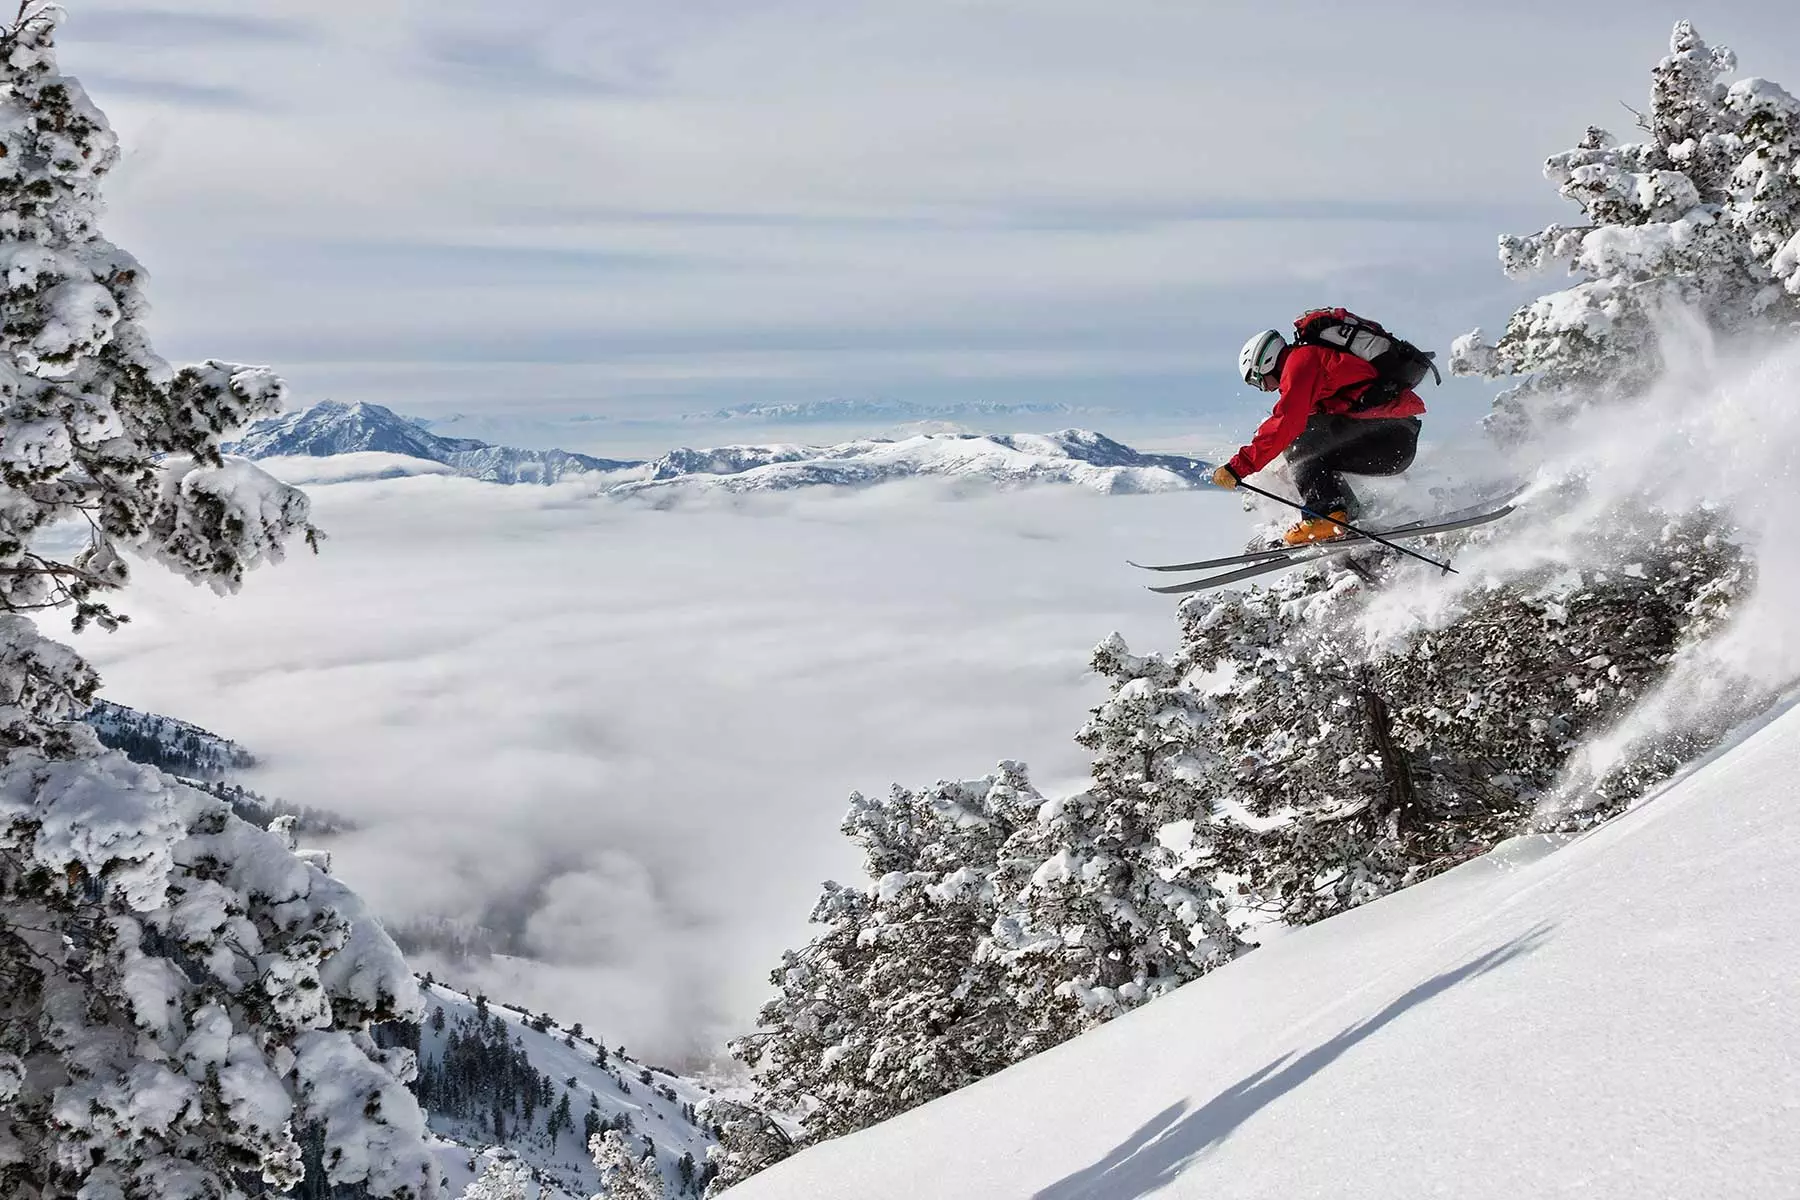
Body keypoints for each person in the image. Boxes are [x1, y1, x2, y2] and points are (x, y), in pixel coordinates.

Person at [1210, 326, 1427, 545]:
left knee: (1300, 440)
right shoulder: (1310, 366)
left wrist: (1238, 467)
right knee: (1310, 452)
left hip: (1388, 438)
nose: (1265, 389)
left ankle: (1326, 517)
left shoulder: (1301, 364)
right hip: (1392, 437)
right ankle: (1342, 514)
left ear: (1266, 363)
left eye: (1258, 381)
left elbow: (1286, 424)